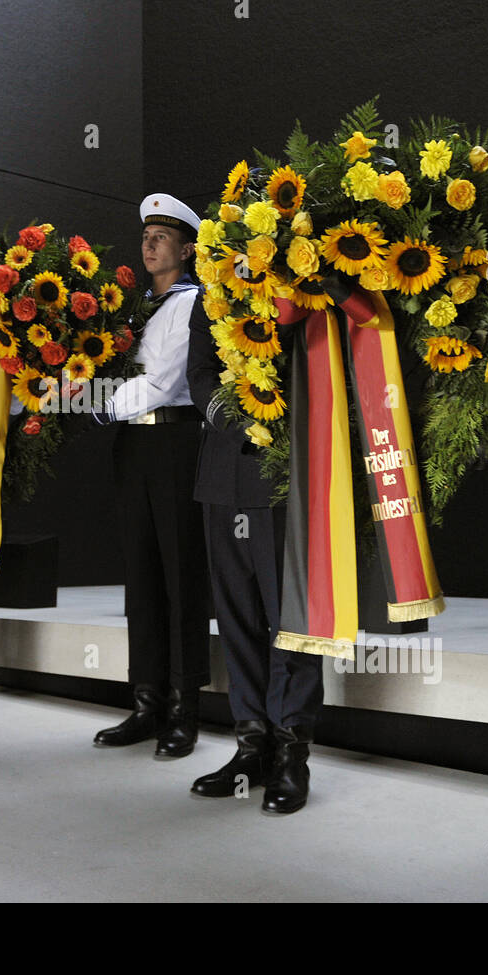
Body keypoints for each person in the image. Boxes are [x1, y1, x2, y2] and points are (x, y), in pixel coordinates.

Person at [185, 292, 323, 813]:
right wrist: (238, 418)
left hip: (287, 470)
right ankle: (251, 745)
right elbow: (199, 372)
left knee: (290, 620)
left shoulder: (301, 280)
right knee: (237, 618)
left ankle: (292, 750)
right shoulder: (212, 289)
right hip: (223, 472)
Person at [91, 194, 210, 759]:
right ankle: (146, 700)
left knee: (180, 572)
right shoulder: (133, 306)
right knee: (139, 573)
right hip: (133, 443)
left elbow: (163, 381)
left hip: (174, 441)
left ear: (186, 249)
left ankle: (186, 707)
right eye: (145, 236)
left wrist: (89, 401)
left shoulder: (192, 304)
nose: (149, 244)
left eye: (162, 236)